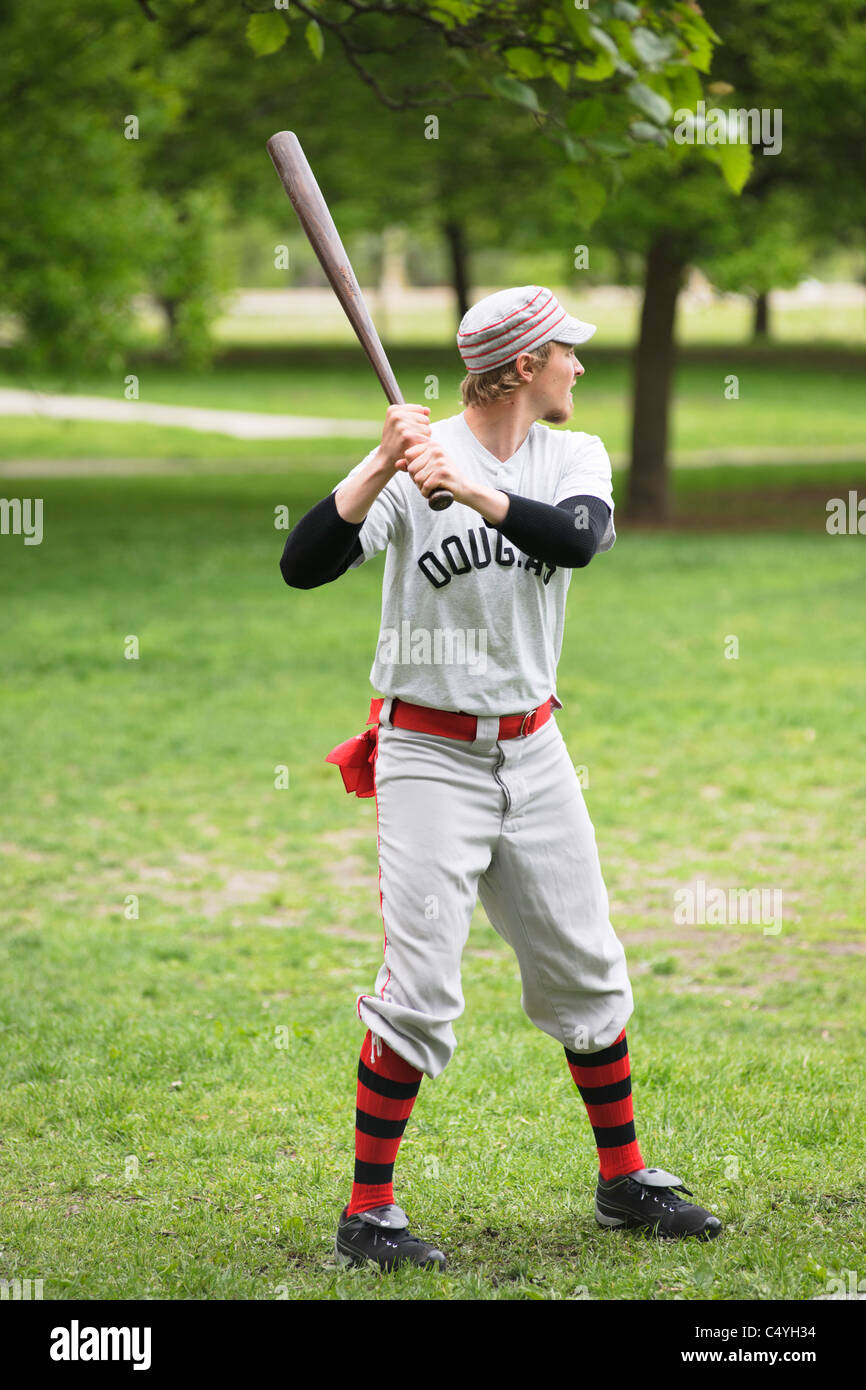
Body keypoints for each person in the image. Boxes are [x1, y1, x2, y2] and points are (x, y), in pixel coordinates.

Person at [279, 285, 722, 1271]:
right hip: (427, 752)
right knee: (422, 986)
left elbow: (576, 539)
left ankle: (623, 1180)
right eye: (565, 351)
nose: (577, 365)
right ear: (523, 365)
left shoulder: (573, 456)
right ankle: (367, 1214)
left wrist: (472, 489)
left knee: (584, 965)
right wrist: (379, 468)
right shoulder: (410, 456)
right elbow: (301, 565)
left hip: (533, 745)